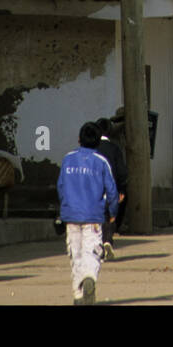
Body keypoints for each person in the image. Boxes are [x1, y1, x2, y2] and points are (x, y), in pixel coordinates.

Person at [57, 122, 119, 305]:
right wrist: (112, 212)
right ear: (98, 142)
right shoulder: (101, 162)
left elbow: (61, 187)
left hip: (71, 215)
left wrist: (65, 208)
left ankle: (77, 295)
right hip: (93, 216)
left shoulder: (67, 159)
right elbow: (112, 191)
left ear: (78, 139)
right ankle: (90, 277)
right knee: (91, 251)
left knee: (74, 254)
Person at [95, 118, 128, 257]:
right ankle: (107, 240)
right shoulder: (114, 149)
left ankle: (97, 246)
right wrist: (122, 188)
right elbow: (121, 171)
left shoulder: (90, 148)